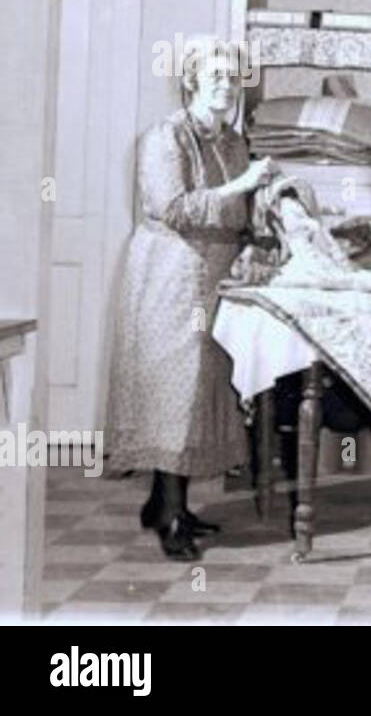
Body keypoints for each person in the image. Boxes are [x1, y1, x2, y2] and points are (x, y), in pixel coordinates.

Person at [106, 44, 275, 559]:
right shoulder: (167, 136)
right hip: (170, 270)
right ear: (193, 82)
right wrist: (244, 185)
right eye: (216, 76)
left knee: (203, 388)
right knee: (175, 386)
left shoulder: (233, 141)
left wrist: (266, 218)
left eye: (234, 77)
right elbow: (172, 207)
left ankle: (165, 501)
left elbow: (239, 211)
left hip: (215, 271)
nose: (227, 85)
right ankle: (171, 516)